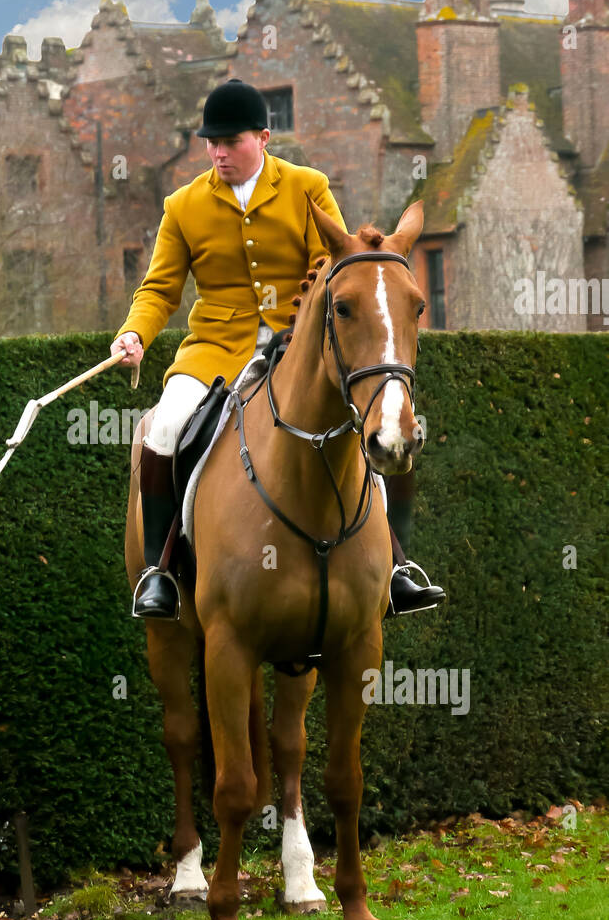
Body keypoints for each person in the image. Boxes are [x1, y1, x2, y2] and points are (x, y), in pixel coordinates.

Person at [110, 78, 444, 621]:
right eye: (211, 143)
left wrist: (298, 336)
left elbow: (332, 268)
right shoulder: (183, 205)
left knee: (385, 423)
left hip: (297, 352)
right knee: (165, 427)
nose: (219, 152)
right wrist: (135, 333)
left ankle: (399, 567)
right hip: (212, 351)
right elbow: (159, 289)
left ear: (263, 138)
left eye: (231, 141)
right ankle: (159, 573)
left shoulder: (307, 186)